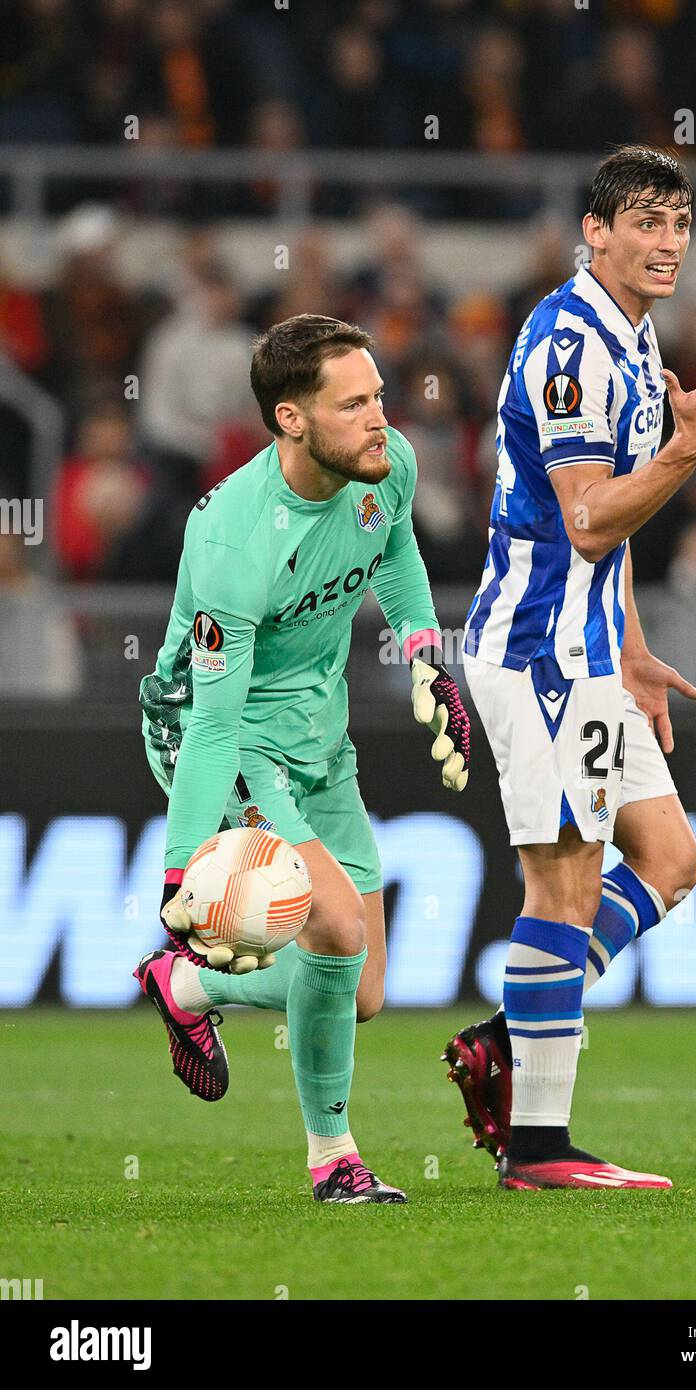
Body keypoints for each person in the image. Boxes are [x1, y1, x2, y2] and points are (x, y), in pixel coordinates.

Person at [446, 145, 696, 1192]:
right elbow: (585, 520)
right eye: (643, 221)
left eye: (677, 221)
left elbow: (607, 537)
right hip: (534, 649)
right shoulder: (570, 346)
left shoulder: (631, 334)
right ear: (594, 231)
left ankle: (506, 1031)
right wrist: (690, 450)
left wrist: (627, 646)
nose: (666, 241)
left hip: (586, 653)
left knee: (668, 858)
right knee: (565, 882)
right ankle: (538, 1147)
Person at [134, 314, 470, 1204]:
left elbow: (391, 546)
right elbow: (210, 724)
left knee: (361, 988)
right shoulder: (235, 541)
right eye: (354, 403)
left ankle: (190, 986)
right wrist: (179, 874)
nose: (381, 419)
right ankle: (335, 1159)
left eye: (380, 396)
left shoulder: (384, 464)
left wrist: (430, 660)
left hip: (322, 733)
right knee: (335, 929)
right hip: (226, 732)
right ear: (291, 420)